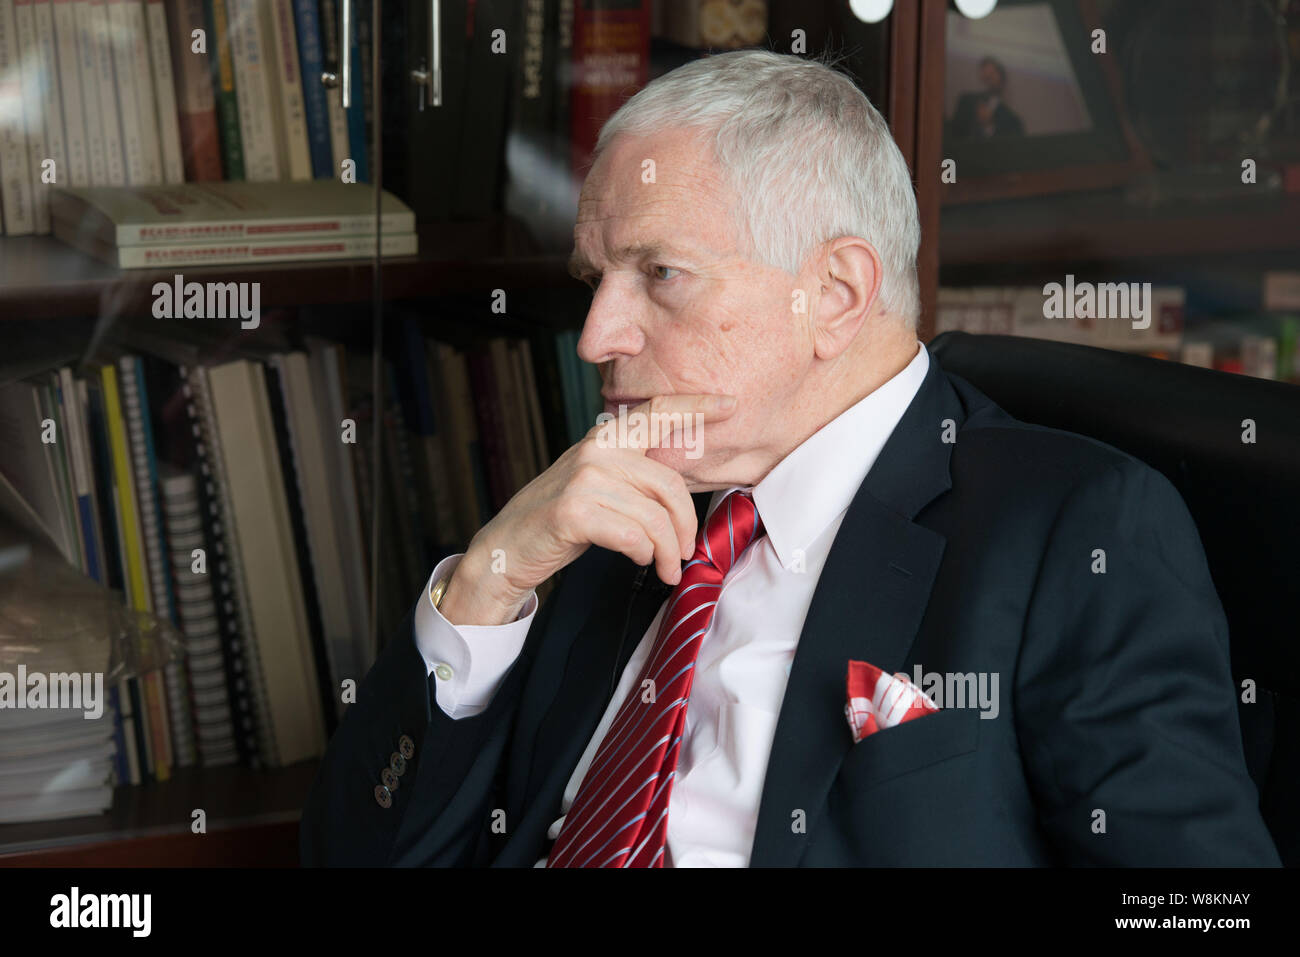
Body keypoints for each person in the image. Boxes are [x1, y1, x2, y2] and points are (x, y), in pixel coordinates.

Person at [299, 49, 1279, 867]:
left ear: (838, 294)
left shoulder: (1072, 531)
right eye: (598, 280)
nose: (597, 336)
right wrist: (487, 579)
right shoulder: (611, 500)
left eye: (660, 275)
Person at [949, 55, 1026, 138]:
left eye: (992, 74)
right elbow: (954, 135)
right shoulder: (965, 102)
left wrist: (988, 126)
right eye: (985, 76)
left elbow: (1009, 146)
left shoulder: (1012, 120)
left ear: (1002, 78)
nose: (988, 78)